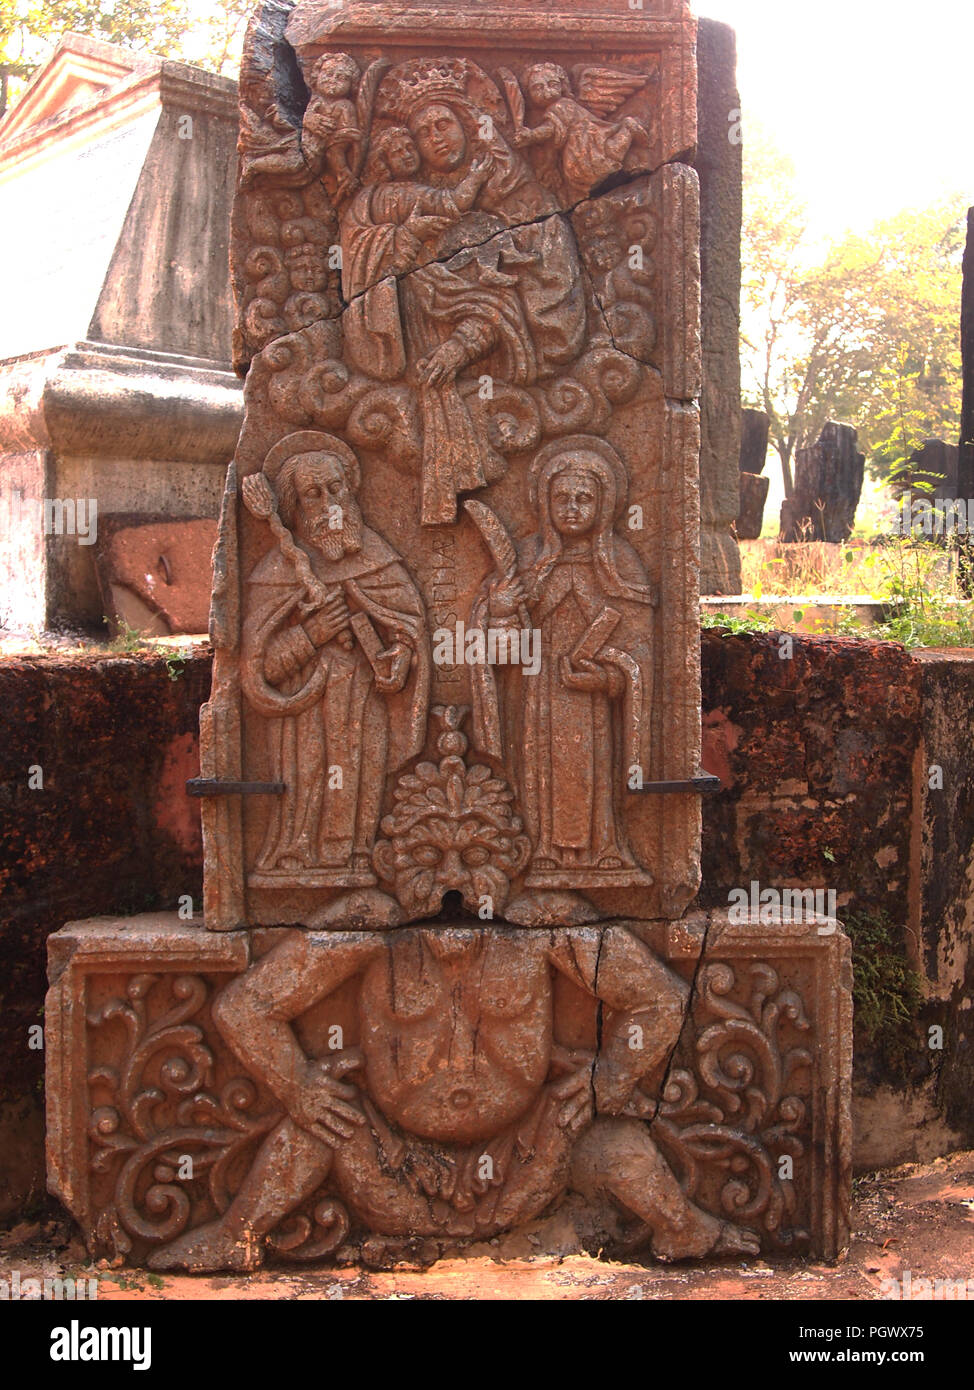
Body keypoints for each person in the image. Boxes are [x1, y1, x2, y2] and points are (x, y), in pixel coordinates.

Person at [240, 432, 429, 914]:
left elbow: (409, 628)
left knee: (359, 785)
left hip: (363, 709)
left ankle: (356, 855)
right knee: (310, 785)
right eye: (313, 493)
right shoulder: (275, 572)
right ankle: (295, 856)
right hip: (304, 718)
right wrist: (312, 636)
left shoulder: (378, 559)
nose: (330, 503)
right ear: (293, 508)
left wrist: (400, 658)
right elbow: (259, 669)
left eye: (338, 489)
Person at [470, 436, 656, 911]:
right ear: (544, 502)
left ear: (605, 504)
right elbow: (491, 642)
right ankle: (539, 851)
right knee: (536, 767)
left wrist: (610, 678)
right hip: (534, 697)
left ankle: (603, 851)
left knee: (590, 769)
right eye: (562, 498)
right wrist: (496, 609)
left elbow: (641, 653)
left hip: (592, 703)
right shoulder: (528, 560)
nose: (572, 509)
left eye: (584, 499)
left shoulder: (623, 566)